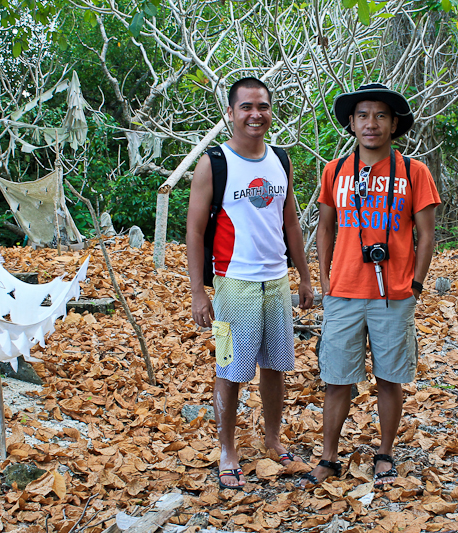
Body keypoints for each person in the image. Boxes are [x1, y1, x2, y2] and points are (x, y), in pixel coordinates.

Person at [301, 83, 440, 489]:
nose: (371, 123)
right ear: (351, 122)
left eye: (380, 115)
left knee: (389, 377)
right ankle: (328, 457)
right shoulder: (336, 170)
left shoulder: (415, 172)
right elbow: (325, 228)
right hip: (344, 292)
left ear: (395, 123)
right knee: (337, 377)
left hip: (393, 293)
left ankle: (385, 453)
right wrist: (326, 281)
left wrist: (414, 285)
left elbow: (426, 235)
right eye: (362, 115)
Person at [186, 77, 314, 490]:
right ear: (230, 113)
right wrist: (197, 291)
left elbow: (290, 222)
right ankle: (228, 451)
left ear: (270, 110)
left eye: (262, 106)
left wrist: (305, 276)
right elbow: (193, 231)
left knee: (275, 367)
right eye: (246, 107)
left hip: (275, 283)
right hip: (231, 286)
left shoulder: (281, 159)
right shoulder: (214, 163)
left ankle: (273, 440)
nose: (255, 114)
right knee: (229, 368)